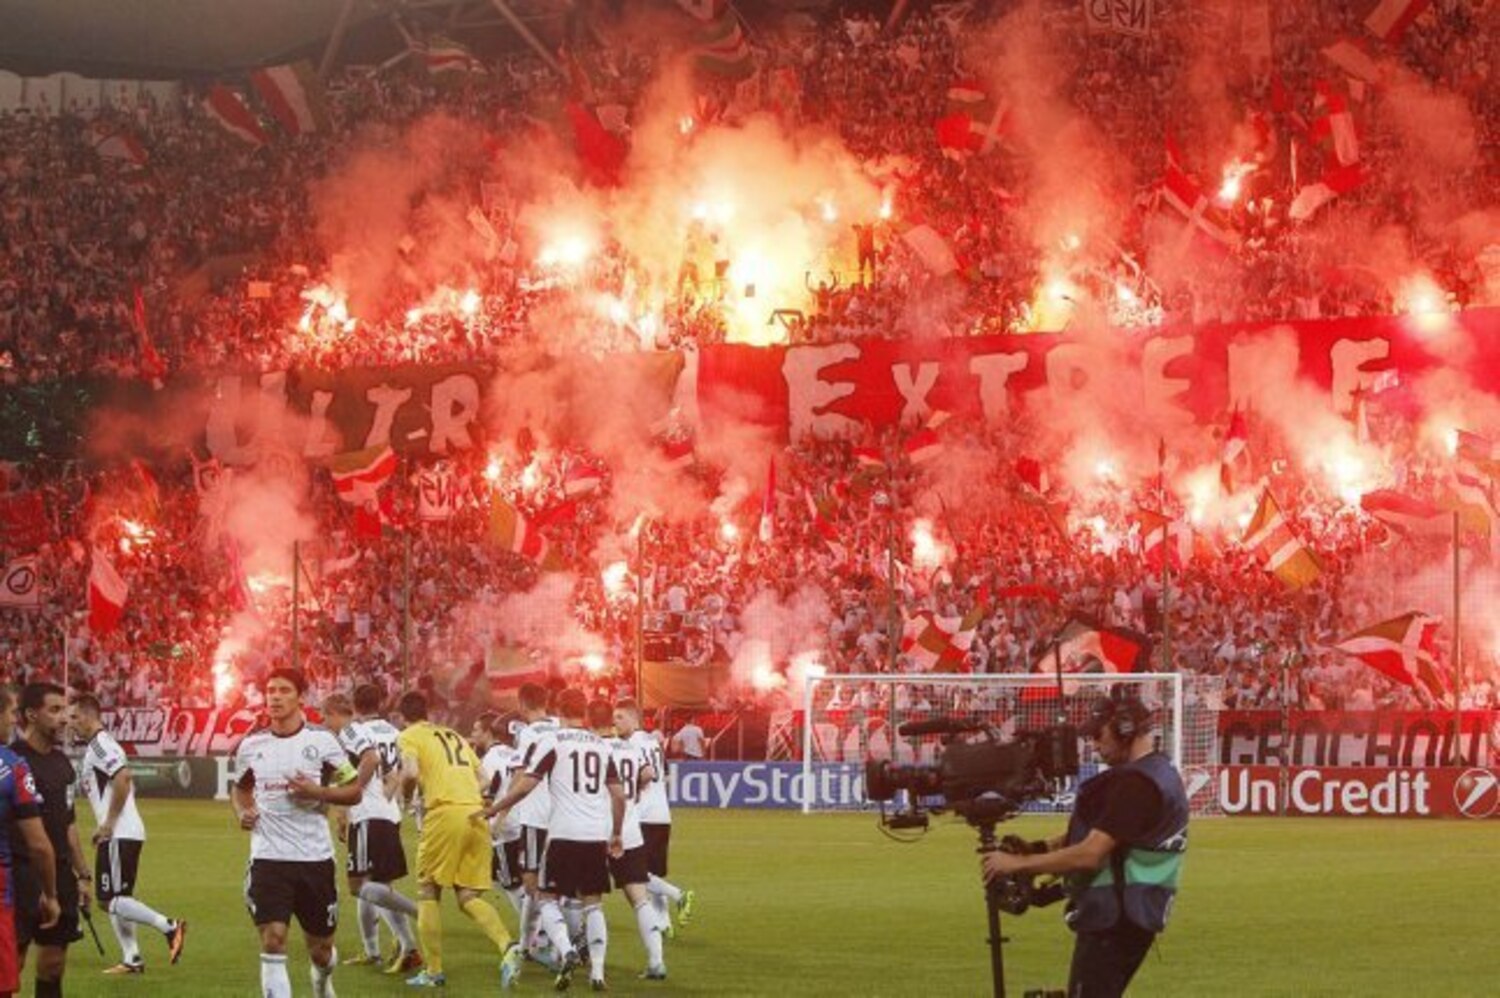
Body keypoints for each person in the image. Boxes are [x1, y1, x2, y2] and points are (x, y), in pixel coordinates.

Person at [980, 694, 1189, 998]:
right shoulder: (1157, 772)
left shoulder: (1137, 785)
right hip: (1133, 912)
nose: (1093, 743)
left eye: (1098, 734)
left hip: (1116, 918)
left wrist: (1018, 864)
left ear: (1125, 728)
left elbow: (1091, 853)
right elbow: (1111, 830)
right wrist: (1040, 848)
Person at [232, 668, 364, 998]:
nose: (275, 697)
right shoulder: (252, 744)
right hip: (268, 857)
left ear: (300, 697)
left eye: (284, 690)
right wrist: (243, 811)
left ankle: (322, 981)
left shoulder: (322, 741)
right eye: (270, 690)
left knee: (321, 951)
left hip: (314, 859)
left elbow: (354, 791)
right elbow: (241, 789)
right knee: (273, 939)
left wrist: (318, 792)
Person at [487, 688, 624, 992]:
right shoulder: (601, 745)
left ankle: (564, 948)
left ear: (559, 710)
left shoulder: (552, 741)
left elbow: (525, 785)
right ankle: (597, 972)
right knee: (593, 904)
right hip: (595, 834)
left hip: (561, 831)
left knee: (545, 896)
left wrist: (495, 810)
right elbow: (618, 795)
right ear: (584, 712)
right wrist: (616, 832)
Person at [395, 690, 523, 990]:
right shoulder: (453, 735)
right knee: (467, 896)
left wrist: (408, 798)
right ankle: (507, 946)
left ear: (402, 717)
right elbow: (485, 780)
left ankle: (434, 972)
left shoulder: (409, 736)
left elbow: (410, 772)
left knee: (428, 890)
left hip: (445, 814)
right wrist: (465, 797)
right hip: (476, 815)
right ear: (427, 711)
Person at [71, 694, 188, 975]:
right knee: (117, 898)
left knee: (110, 899)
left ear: (88, 715)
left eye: (74, 717)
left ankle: (170, 926)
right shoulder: (98, 746)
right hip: (122, 833)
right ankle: (132, 958)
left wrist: (109, 823)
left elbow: (123, 778)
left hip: (119, 832)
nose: (70, 723)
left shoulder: (100, 745)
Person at [320, 688, 421, 974]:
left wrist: (348, 805)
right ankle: (398, 949)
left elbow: (367, 765)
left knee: (358, 885)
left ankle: (419, 914)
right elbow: (396, 774)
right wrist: (390, 800)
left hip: (367, 814)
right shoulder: (394, 732)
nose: (325, 723)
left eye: (325, 716)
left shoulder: (353, 732)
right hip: (388, 813)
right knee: (378, 887)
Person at [12, 682, 88, 998]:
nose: (64, 718)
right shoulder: (12, 761)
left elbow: (69, 823)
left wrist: (83, 875)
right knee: (11, 963)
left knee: (54, 965)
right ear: (31, 714)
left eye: (65, 710)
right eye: (55, 710)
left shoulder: (62, 763)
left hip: (60, 873)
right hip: (20, 874)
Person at [599, 699, 667, 980]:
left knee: (582, 898)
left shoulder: (596, 747)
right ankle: (656, 961)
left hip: (598, 831)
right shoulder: (630, 748)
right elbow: (648, 773)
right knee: (639, 898)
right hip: (630, 830)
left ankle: (583, 959)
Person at [614, 700, 695, 934]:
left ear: (633, 718)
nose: (615, 723)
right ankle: (664, 923)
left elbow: (648, 774)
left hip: (643, 816)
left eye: (620, 717)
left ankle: (679, 895)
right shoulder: (652, 741)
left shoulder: (631, 744)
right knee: (653, 873)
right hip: (662, 814)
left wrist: (635, 790)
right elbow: (665, 773)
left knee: (635, 873)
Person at [0, 685, 60, 998]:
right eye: (10, 713)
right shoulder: (13, 766)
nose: (14, 720)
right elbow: (38, 844)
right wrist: (50, 895)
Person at [508, 682, 558, 959]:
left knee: (531, 882)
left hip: (535, 815)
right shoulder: (561, 727)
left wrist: (502, 811)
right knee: (557, 883)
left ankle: (548, 939)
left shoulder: (528, 733)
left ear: (522, 704)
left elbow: (520, 774)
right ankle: (530, 944)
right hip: (561, 817)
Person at [473, 713, 525, 917]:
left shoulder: (489, 760)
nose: (473, 734)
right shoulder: (513, 753)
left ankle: (539, 931)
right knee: (520, 877)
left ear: (488, 732)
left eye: (476, 730)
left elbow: (489, 795)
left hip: (503, 827)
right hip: (522, 821)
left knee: (512, 883)